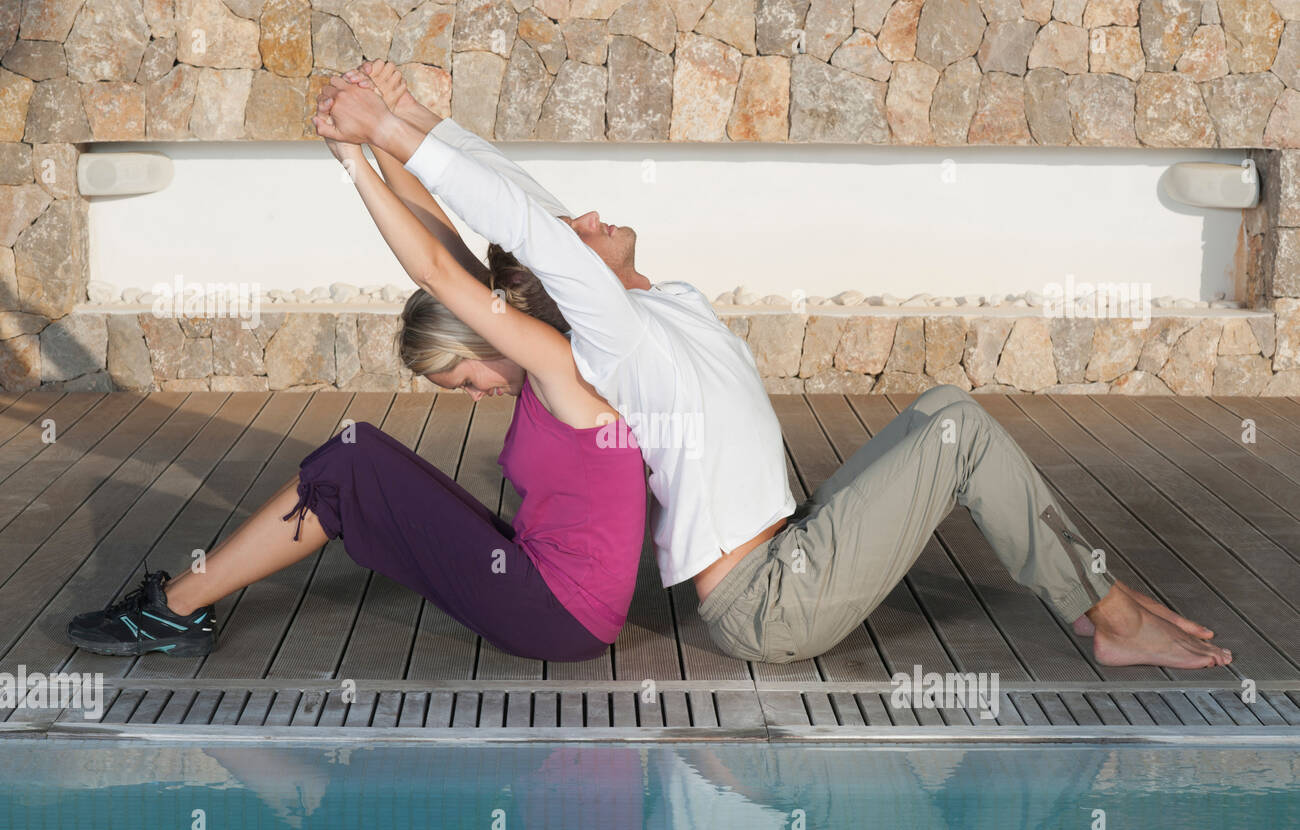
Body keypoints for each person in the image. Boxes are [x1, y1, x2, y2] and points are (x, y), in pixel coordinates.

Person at [314, 62, 1231, 672]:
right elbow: (498, 237)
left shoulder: (648, 304)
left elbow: (516, 193)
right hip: (768, 601)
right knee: (956, 431)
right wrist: (379, 144)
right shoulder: (613, 336)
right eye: (579, 235)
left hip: (798, 540)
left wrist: (408, 117)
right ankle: (1106, 613)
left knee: (946, 409)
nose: (586, 215)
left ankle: (1091, 596)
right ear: (578, 276)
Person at [63, 95, 647, 665]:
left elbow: (435, 270)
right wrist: (380, 128)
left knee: (352, 460)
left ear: (484, 337)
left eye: (463, 379)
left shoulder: (560, 367)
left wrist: (351, 159)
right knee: (354, 457)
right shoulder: (545, 356)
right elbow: (440, 240)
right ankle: (176, 607)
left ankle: (174, 610)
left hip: (555, 614)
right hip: (550, 593)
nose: (474, 397)